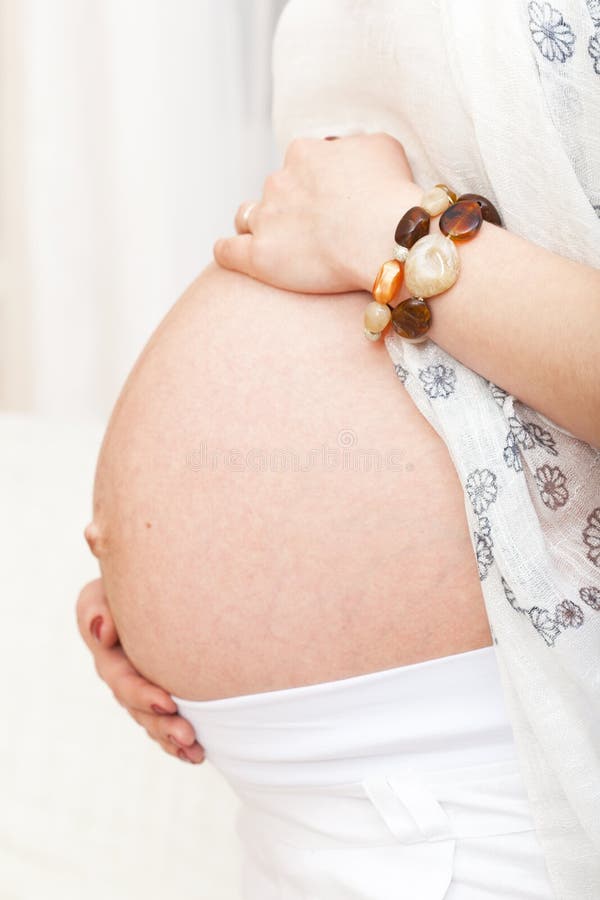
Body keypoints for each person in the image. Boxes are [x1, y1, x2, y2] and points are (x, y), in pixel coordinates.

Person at [76, 1, 600, 896]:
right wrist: (174, 557)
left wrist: (387, 232)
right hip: (301, 792)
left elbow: (365, 225)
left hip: (493, 765)